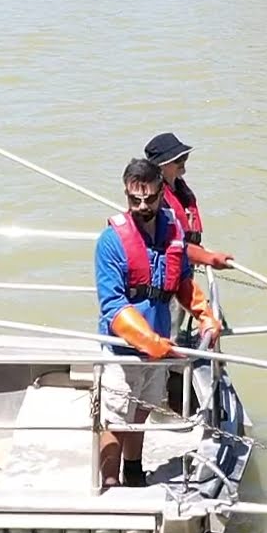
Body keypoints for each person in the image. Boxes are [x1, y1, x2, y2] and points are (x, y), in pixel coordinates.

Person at [93, 158, 222, 488]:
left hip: (160, 347)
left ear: (161, 192)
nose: (141, 206)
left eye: (149, 198)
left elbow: (181, 281)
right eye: (134, 200)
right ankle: (109, 481)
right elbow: (113, 305)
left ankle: (133, 471)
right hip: (124, 350)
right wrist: (150, 342)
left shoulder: (173, 232)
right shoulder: (110, 242)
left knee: (142, 412)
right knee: (116, 418)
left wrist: (205, 314)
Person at [143, 132, 234, 270]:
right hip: (167, 268)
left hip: (185, 266)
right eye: (177, 159)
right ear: (161, 165)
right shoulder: (155, 200)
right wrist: (209, 258)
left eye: (184, 156)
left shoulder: (179, 188)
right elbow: (172, 243)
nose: (183, 161)